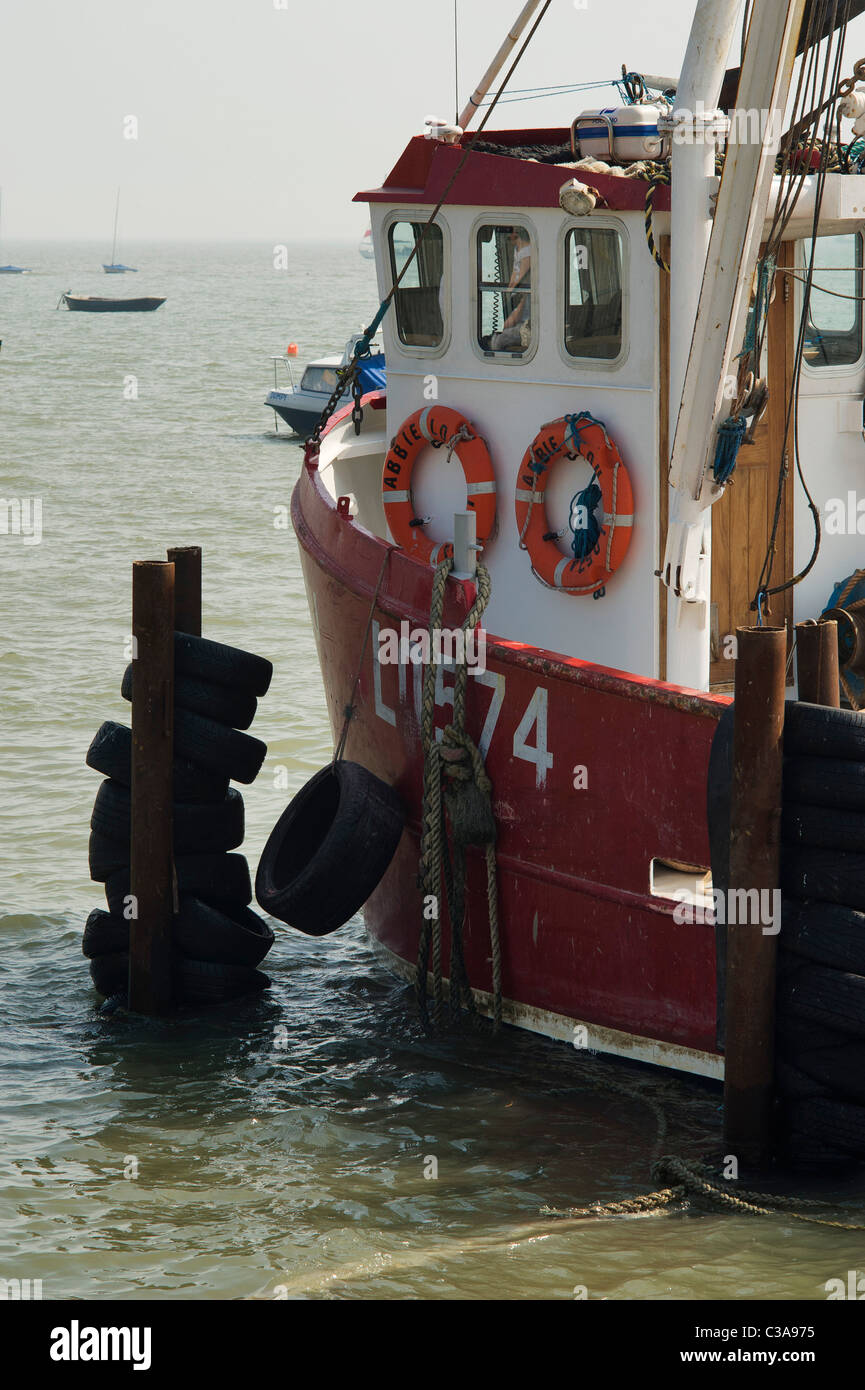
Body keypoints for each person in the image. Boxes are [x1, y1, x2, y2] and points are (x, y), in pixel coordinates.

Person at [491, 228, 532, 352]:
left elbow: (522, 277)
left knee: (498, 342)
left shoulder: (528, 251)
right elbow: (516, 273)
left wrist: (514, 315)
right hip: (518, 301)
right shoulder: (517, 250)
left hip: (526, 321)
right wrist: (509, 288)